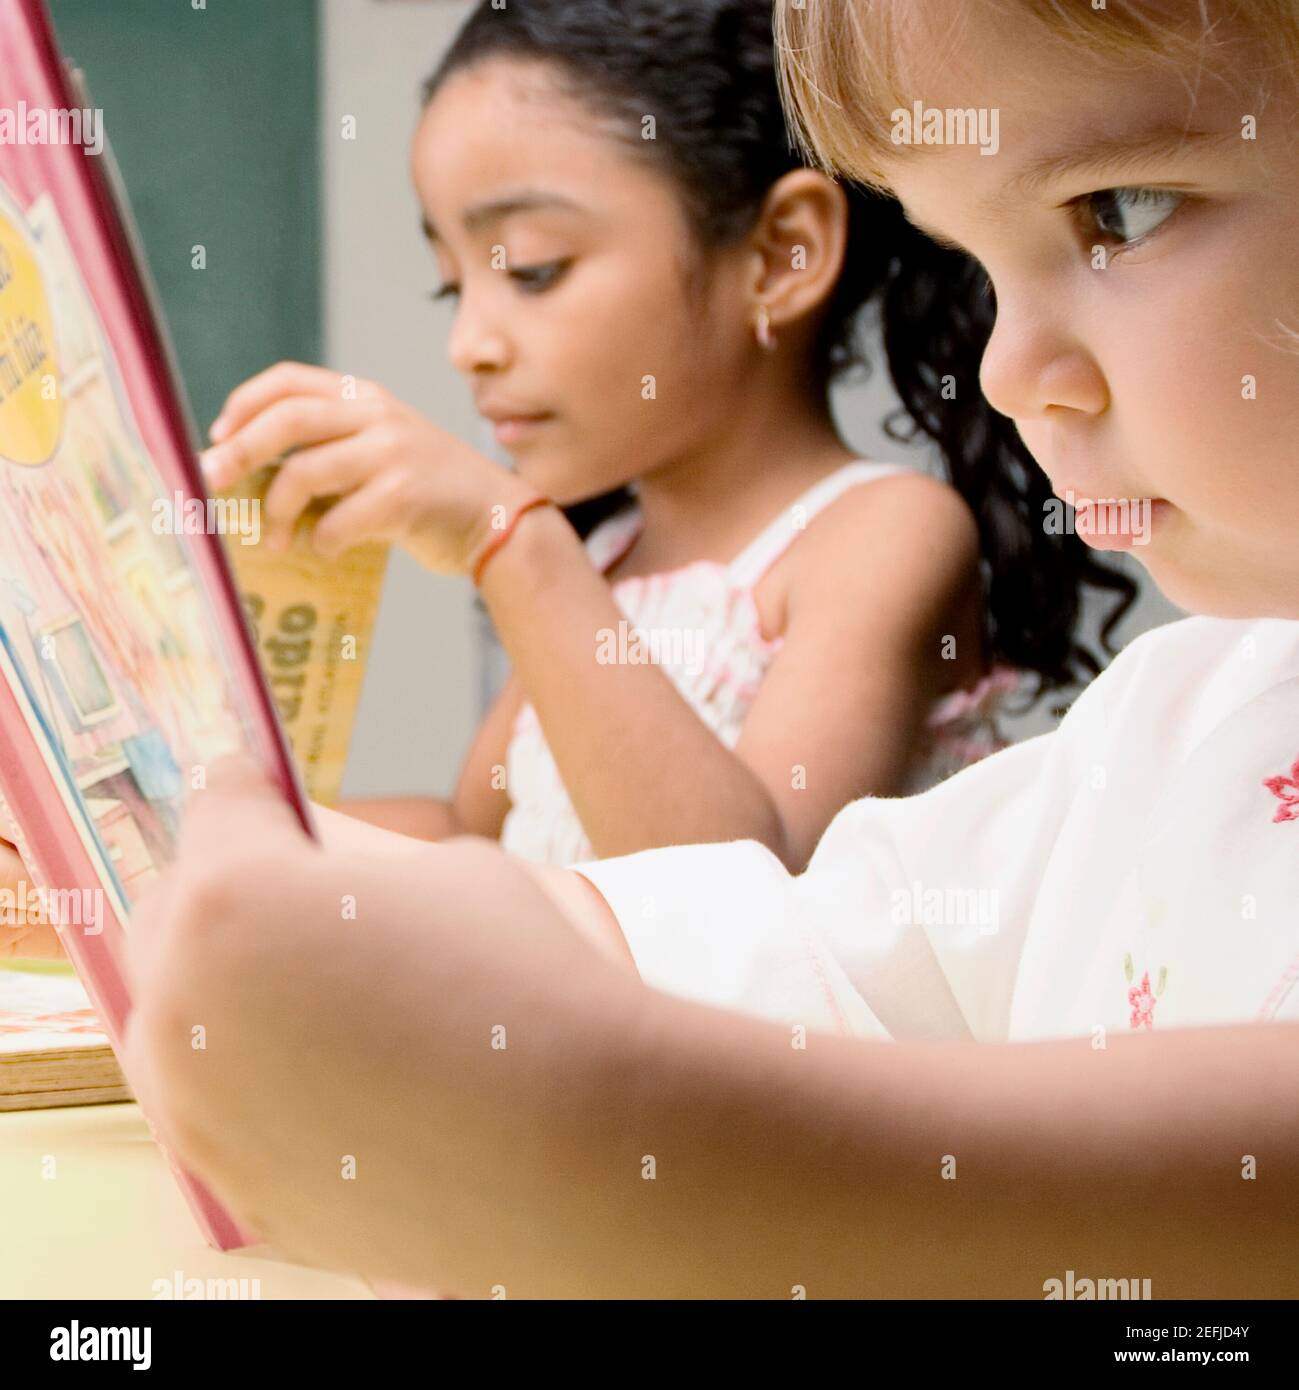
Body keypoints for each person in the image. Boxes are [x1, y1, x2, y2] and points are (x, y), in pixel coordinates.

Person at [7, 0, 1299, 1297]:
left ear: (784, 255)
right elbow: (762, 930)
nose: (1011, 371)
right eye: (980, 267)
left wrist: (632, 1147)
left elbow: (1231, 1178)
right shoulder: (1171, 717)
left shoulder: (860, 537)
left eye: (1117, 210)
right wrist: (176, 842)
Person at [196, 0, 1129, 870]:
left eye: (531, 270)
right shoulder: (602, 564)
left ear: (780, 255)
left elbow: (743, 888)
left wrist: (508, 540)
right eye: (452, 284)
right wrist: (193, 825)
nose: (466, 345)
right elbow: (468, 840)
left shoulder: (882, 536)